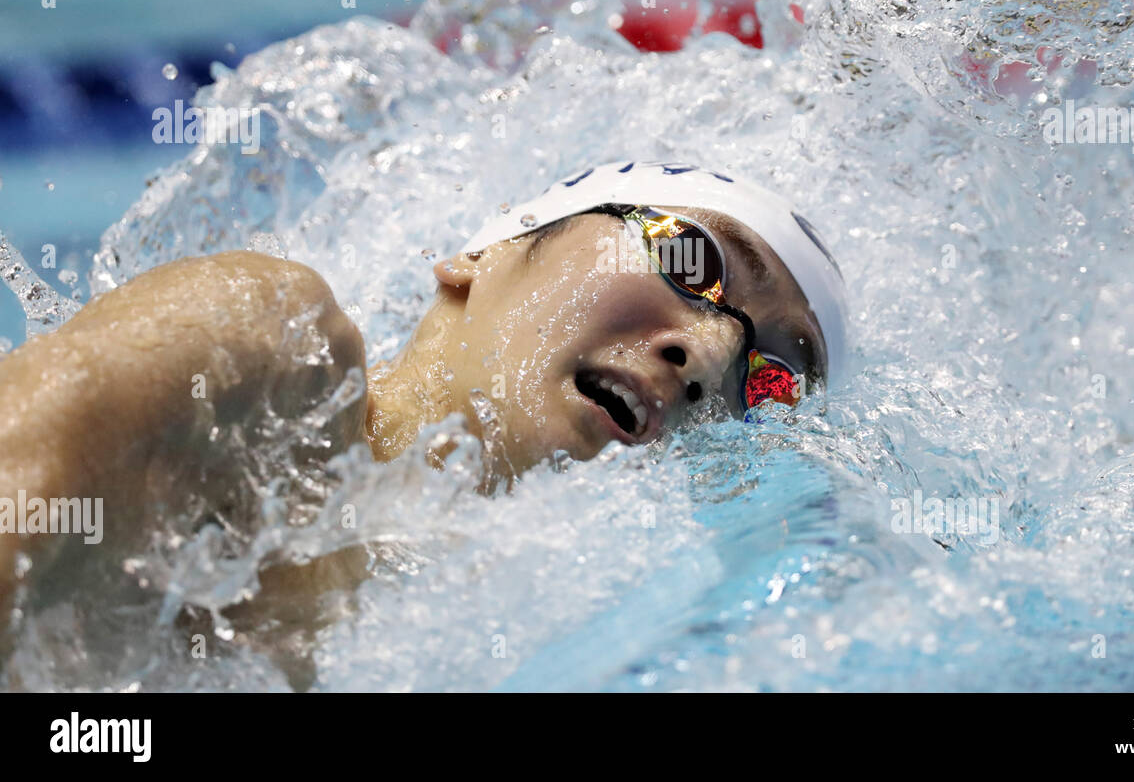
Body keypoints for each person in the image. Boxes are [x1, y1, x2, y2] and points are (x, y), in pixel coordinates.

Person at [0, 160, 848, 648]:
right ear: (483, 253)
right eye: (691, 259)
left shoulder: (500, 635)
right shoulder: (275, 351)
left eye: (772, 377)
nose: (710, 355)